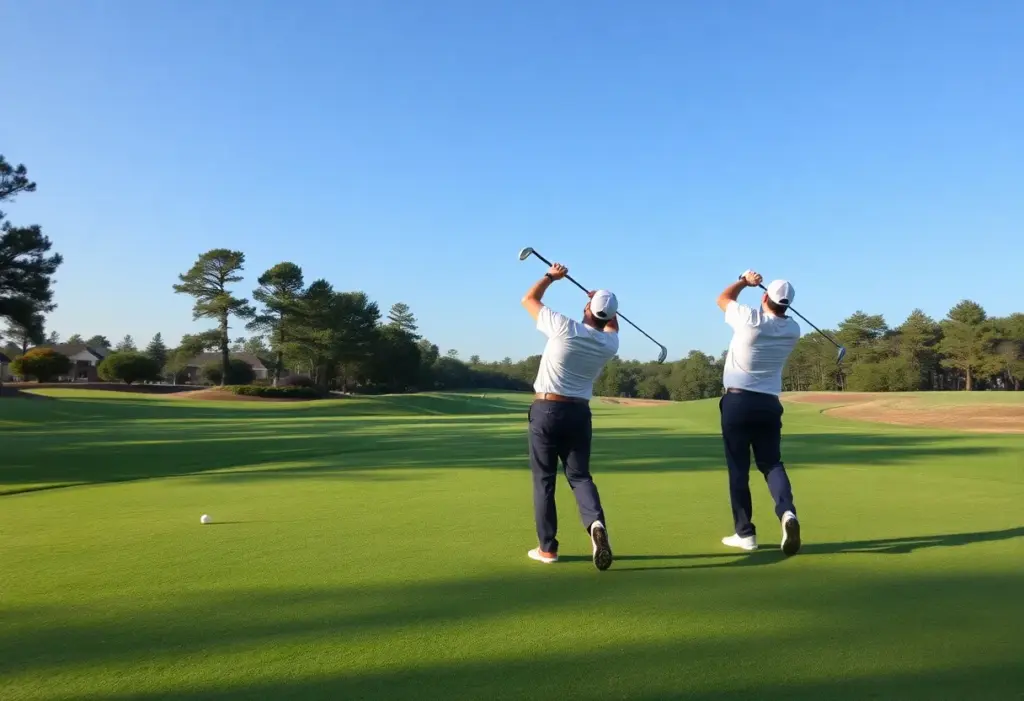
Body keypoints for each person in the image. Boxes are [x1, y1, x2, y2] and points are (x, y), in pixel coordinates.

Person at [520, 261, 620, 571]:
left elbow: (529, 300)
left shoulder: (565, 326)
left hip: (547, 410)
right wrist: (603, 306)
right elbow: (611, 325)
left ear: (587, 307)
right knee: (579, 477)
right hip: (580, 413)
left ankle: (547, 548)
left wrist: (552, 276)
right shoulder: (609, 344)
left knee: (544, 481)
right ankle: (595, 524)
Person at [716, 269, 803, 556]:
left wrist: (744, 281)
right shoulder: (793, 330)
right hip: (768, 403)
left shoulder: (750, 318)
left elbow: (723, 298)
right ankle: (787, 513)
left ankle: (745, 534)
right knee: (772, 463)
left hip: (738, 403)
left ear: (764, 296)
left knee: (739, 470)